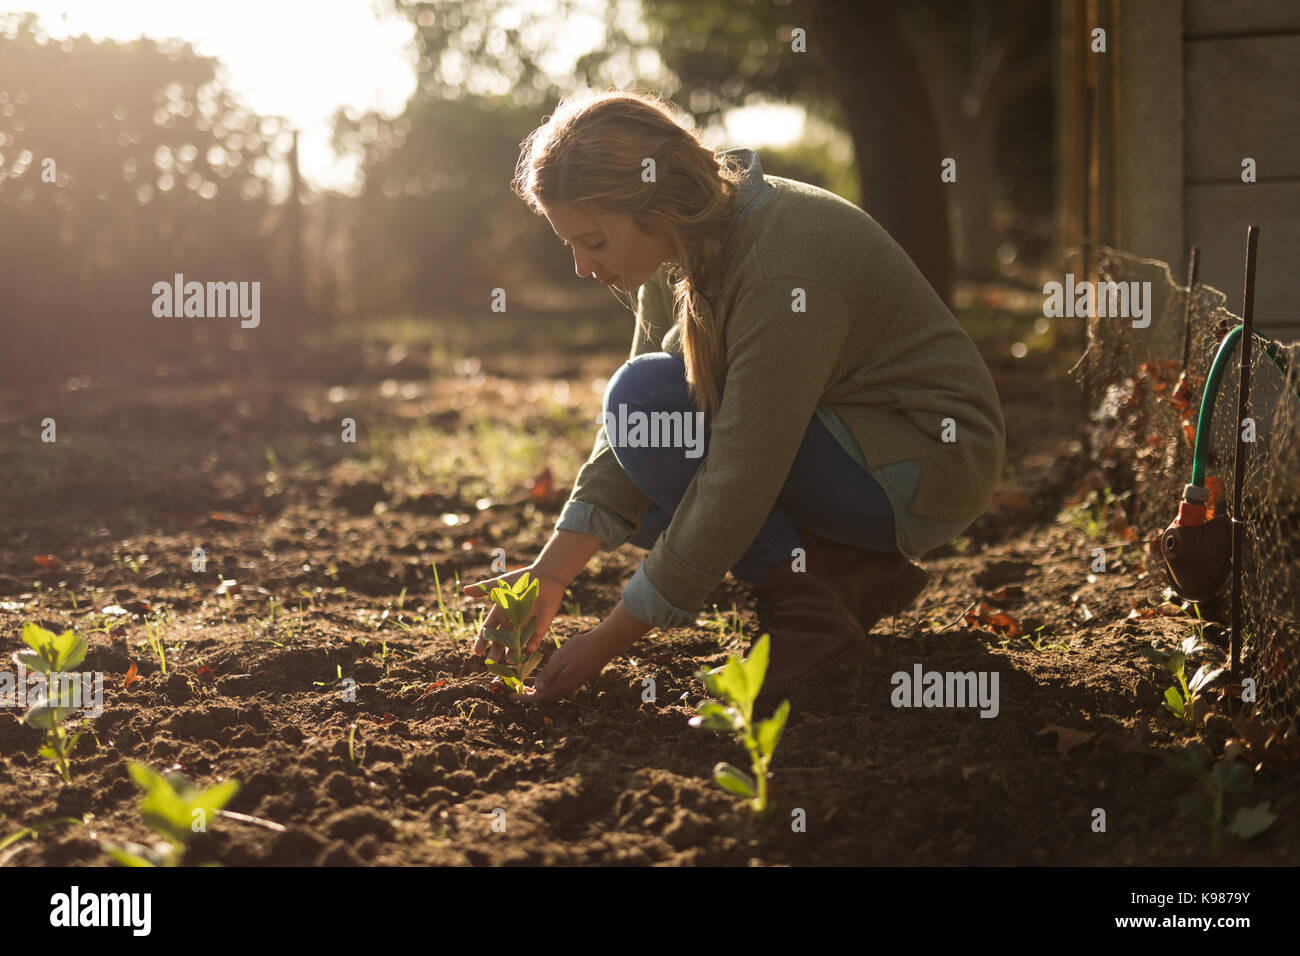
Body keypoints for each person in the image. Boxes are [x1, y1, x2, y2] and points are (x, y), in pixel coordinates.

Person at [463, 88, 1005, 702]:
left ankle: (812, 622)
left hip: (924, 466)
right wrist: (552, 571)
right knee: (652, 444)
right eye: (572, 246)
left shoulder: (784, 266)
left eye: (594, 242)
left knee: (650, 407)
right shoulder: (679, 246)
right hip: (847, 445)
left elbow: (743, 467)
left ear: (654, 205)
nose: (584, 268)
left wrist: (606, 643)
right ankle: (847, 575)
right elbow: (631, 442)